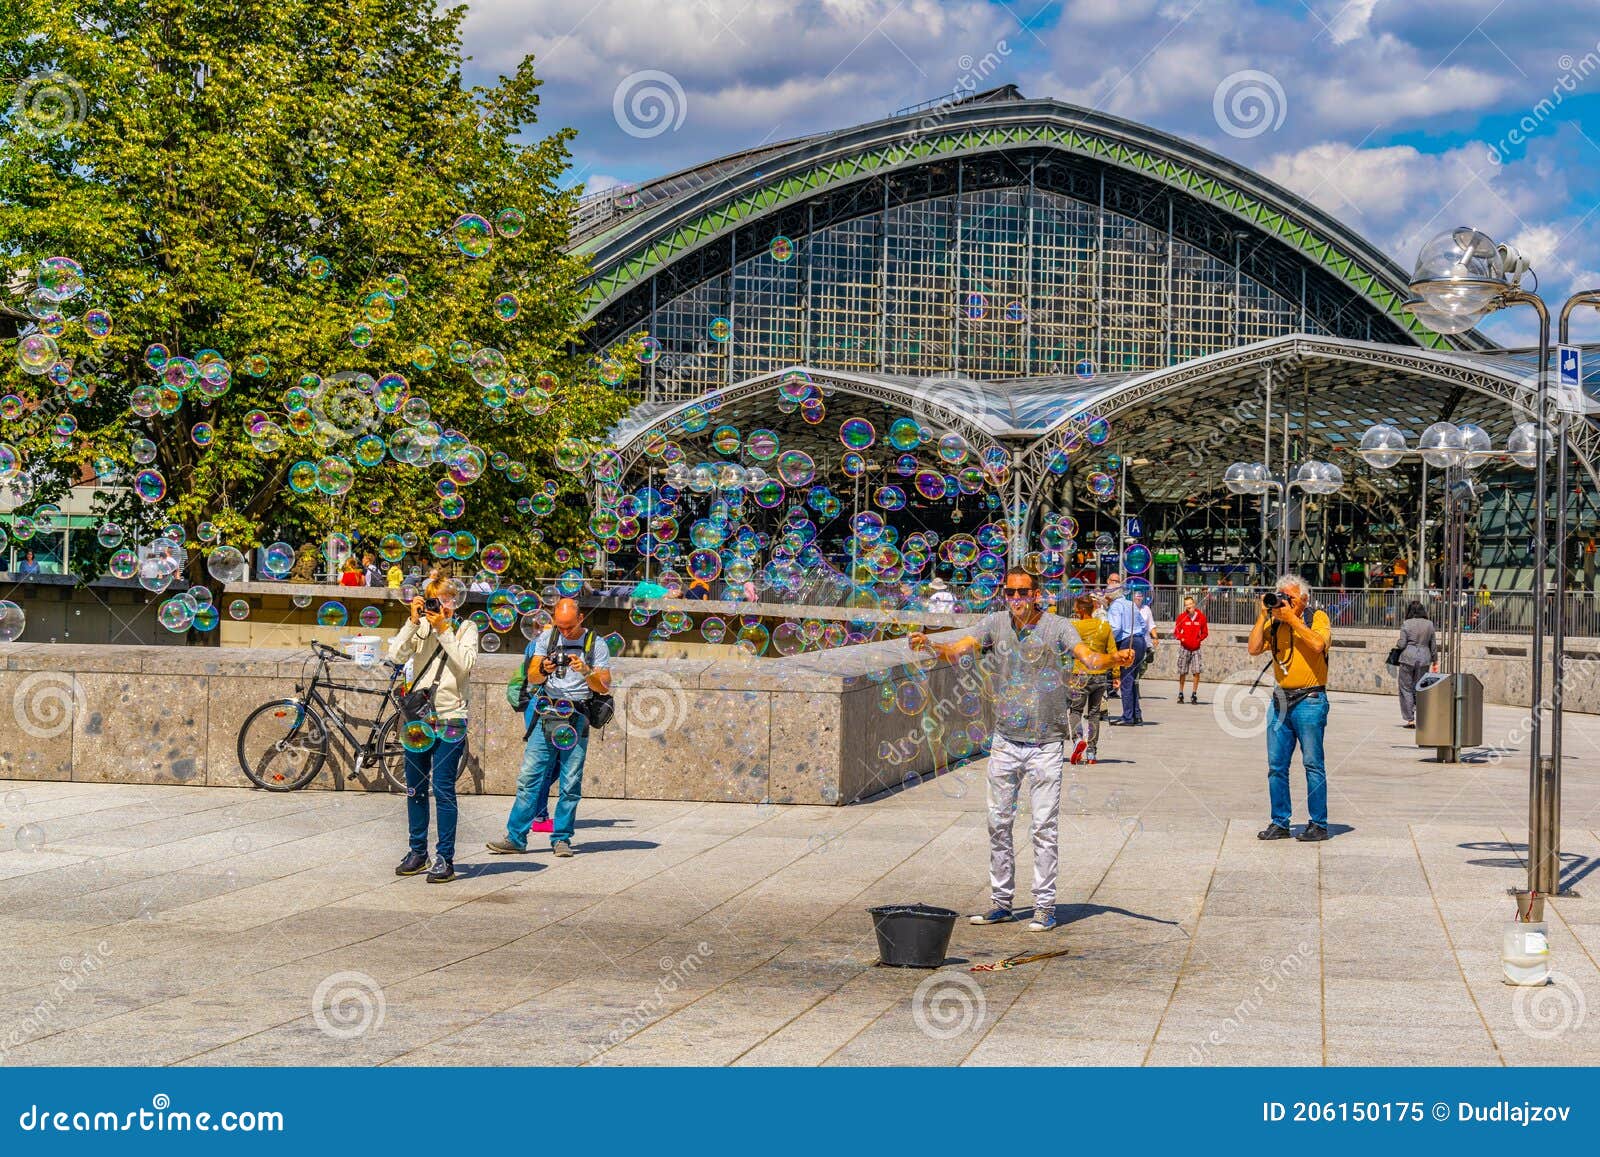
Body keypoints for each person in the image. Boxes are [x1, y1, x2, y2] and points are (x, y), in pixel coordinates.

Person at [909, 569, 1133, 932]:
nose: (1015, 599)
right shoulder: (995, 623)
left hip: (1045, 744)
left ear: (1036, 594)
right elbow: (958, 649)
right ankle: (1001, 902)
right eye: (1010, 592)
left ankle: (1044, 906)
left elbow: (1089, 659)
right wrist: (931, 644)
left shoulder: (1057, 627)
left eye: (1022, 592)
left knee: (1044, 827)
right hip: (1005, 741)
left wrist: (1115, 660)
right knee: (998, 823)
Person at [487, 597, 613, 859]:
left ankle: (562, 838)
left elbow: (603, 687)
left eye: (569, 626)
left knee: (570, 783)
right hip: (547, 713)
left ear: (580, 619)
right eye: (560, 625)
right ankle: (515, 837)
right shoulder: (547, 638)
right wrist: (544, 668)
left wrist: (587, 671)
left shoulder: (596, 644)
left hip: (577, 715)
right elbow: (532, 676)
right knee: (529, 778)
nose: (564, 632)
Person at [388, 574, 479, 882]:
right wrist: (412, 623)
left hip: (450, 717)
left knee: (442, 788)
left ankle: (445, 857)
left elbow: (465, 663)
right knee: (414, 788)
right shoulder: (422, 627)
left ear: (456, 601)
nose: (441, 605)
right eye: (435, 600)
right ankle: (417, 851)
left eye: (447, 599)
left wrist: (443, 629)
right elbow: (395, 656)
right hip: (418, 717)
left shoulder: (467, 628)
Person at [1247, 575, 1333, 842]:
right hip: (1280, 701)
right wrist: (1263, 616)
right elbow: (1253, 648)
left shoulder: (1316, 617)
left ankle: (1318, 824)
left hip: (1310, 700)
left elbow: (1318, 645)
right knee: (1276, 766)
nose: (1284, 601)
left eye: (1290, 597)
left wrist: (1293, 619)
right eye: (1280, 596)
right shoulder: (1275, 623)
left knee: (1313, 764)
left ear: (1304, 600)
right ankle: (1279, 822)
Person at [1068, 594, 1115, 765]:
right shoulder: (1104, 626)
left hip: (1080, 674)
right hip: (1100, 674)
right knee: (1094, 713)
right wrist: (1116, 675)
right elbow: (1112, 651)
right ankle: (1091, 753)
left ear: (1079, 609)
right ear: (1094, 608)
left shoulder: (1074, 627)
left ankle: (1078, 739)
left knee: (1075, 711)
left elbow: (1067, 650)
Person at [1107, 587, 1155, 726]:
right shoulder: (1131, 604)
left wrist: (1109, 643)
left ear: (1111, 596)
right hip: (1139, 641)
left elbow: (1115, 627)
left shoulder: (1115, 606)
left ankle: (1128, 716)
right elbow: (1143, 625)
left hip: (1128, 642)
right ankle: (1136, 715)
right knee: (1133, 680)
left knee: (1126, 680)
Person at [1394, 601, 1436, 729]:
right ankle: (1422, 716)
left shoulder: (1406, 624)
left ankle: (1410, 719)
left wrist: (1397, 644)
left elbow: (1401, 644)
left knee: (1405, 687)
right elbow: (1433, 644)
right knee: (1421, 687)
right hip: (1424, 658)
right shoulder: (1429, 624)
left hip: (1408, 658)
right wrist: (1435, 660)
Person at [1173, 594, 1209, 704]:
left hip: (1196, 649)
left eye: (1190, 604)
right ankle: (1181, 693)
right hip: (1184, 648)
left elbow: (1205, 632)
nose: (1188, 606)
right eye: (1186, 605)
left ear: (1194, 604)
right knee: (1183, 672)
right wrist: (1182, 638)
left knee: (1197, 671)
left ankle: (1194, 694)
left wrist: (1199, 639)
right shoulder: (1181, 617)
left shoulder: (1201, 617)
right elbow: (1176, 632)